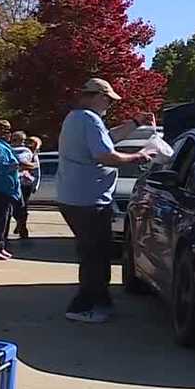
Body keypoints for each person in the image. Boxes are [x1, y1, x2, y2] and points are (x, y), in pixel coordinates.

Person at [57, 77, 158, 323]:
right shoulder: (89, 119)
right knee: (96, 256)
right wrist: (140, 156)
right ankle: (84, 306)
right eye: (108, 100)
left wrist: (134, 123)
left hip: (75, 198)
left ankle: (98, 301)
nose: (109, 104)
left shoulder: (77, 118)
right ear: (98, 97)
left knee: (93, 253)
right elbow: (105, 154)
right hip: (88, 200)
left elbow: (107, 138)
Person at [0, 120, 32, 260]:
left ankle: (0, 246)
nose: (9, 134)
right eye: (6, 131)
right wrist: (18, 165)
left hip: (6, 190)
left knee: (4, 220)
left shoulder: (4, 147)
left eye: (9, 131)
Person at [12, 135, 42, 239]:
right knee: (15, 207)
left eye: (22, 140)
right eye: (15, 140)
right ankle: (19, 222)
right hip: (13, 182)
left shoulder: (30, 153)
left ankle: (22, 227)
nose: (21, 143)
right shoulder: (10, 150)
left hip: (25, 184)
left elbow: (36, 170)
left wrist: (35, 185)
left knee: (22, 206)